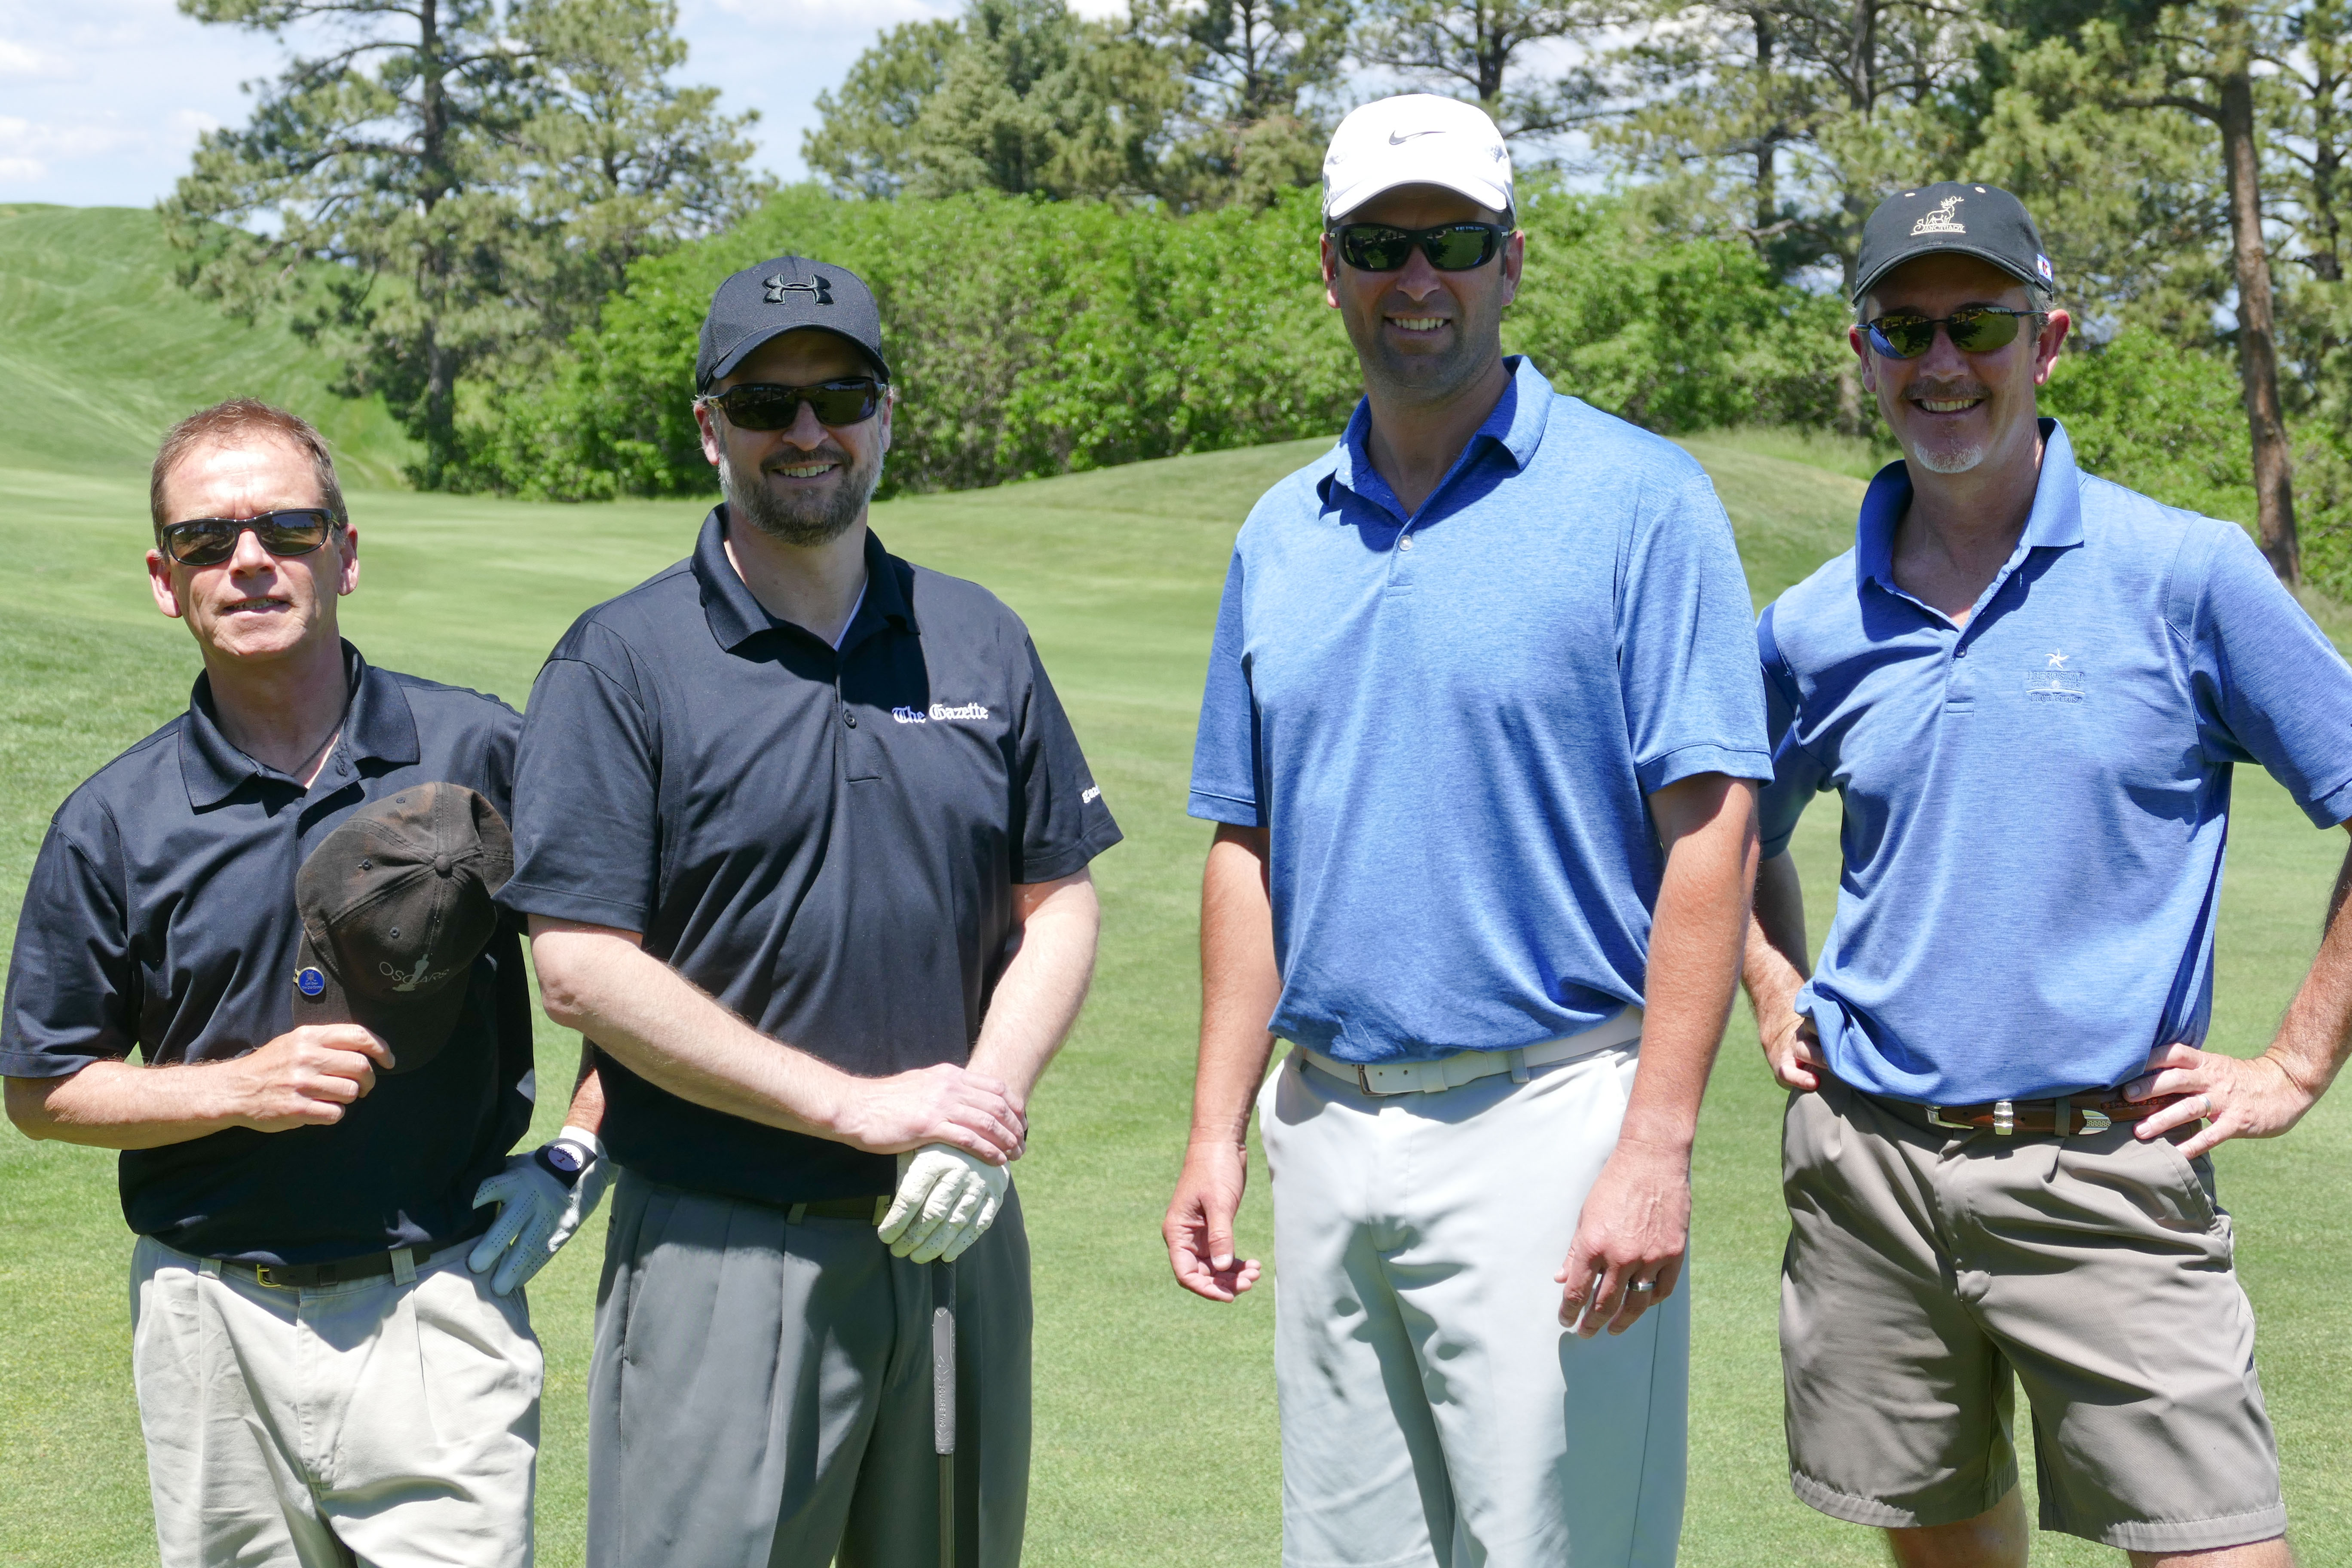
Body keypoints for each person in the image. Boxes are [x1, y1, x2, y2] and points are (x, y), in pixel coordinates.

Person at [1162, 93, 1770, 1567]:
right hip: (1324, 1123)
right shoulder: (1281, 529)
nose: (1414, 277)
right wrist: (1214, 1128)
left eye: (1452, 241)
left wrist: (1658, 1148)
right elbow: (1245, 845)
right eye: (1381, 242)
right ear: (1330, 268)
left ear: (1510, 262)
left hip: (1552, 1120)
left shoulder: (1641, 500)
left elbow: (1714, 826)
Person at [1742, 181, 2352, 1568]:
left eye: (1981, 327)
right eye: (1905, 331)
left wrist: (2295, 1067)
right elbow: (1725, 834)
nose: (1942, 365)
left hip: (2109, 1173)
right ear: (1862, 355)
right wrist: (1773, 987)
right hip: (1871, 1179)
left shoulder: (2184, 573)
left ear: (2051, 339)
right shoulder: (1808, 624)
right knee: (1945, 1545)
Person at [502, 253, 1121, 1568]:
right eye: (765, 399)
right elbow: (580, 968)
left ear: (886, 412)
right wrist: (853, 1107)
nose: (806, 430)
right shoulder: (621, 660)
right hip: (728, 1240)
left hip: (953, 1236)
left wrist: (979, 1108)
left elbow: (1058, 899)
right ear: (709, 424)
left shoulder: (978, 637)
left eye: (840, 392)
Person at [0, 399, 603, 1568]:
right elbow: (44, 1089)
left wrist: (578, 1153)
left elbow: (633, 963)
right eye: (205, 542)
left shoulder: (478, 750)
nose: (250, 560)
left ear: (346, 551)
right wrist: (240, 1089)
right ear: (165, 582)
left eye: (287, 527)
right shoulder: (113, 824)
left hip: (440, 1306)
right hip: (207, 1323)